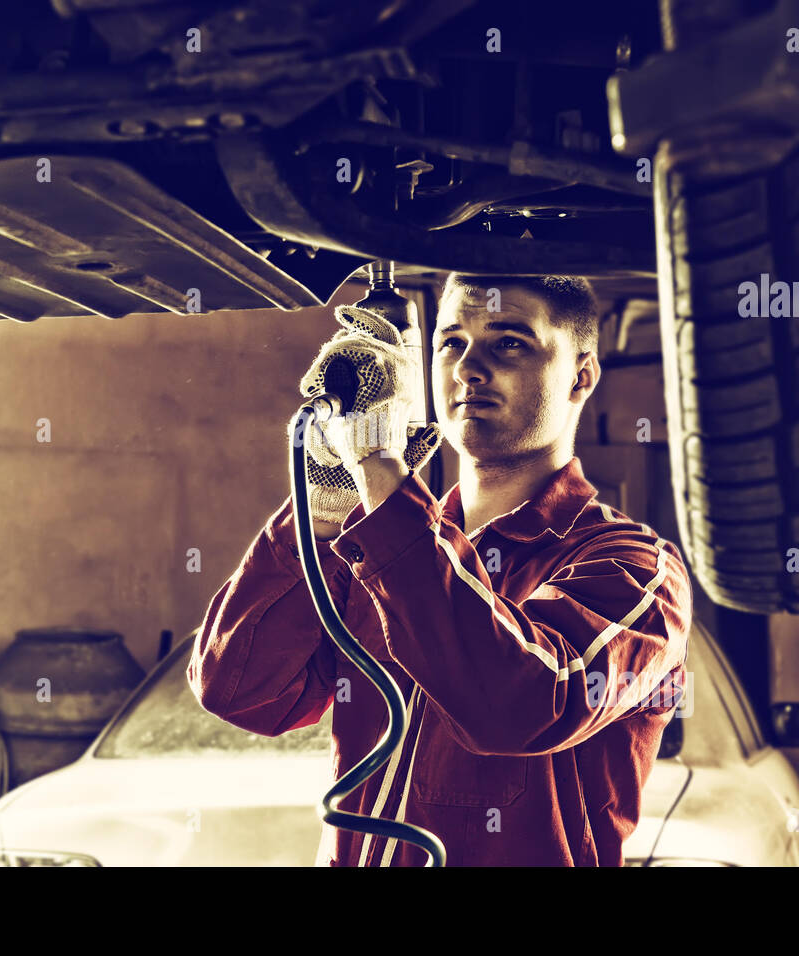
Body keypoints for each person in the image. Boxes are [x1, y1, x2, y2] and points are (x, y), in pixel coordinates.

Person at [188, 272, 692, 866]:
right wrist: (325, 508)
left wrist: (377, 464)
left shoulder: (635, 569)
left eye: (509, 342)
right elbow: (240, 691)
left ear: (581, 376)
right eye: (452, 342)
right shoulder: (378, 542)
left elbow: (523, 702)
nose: (468, 368)